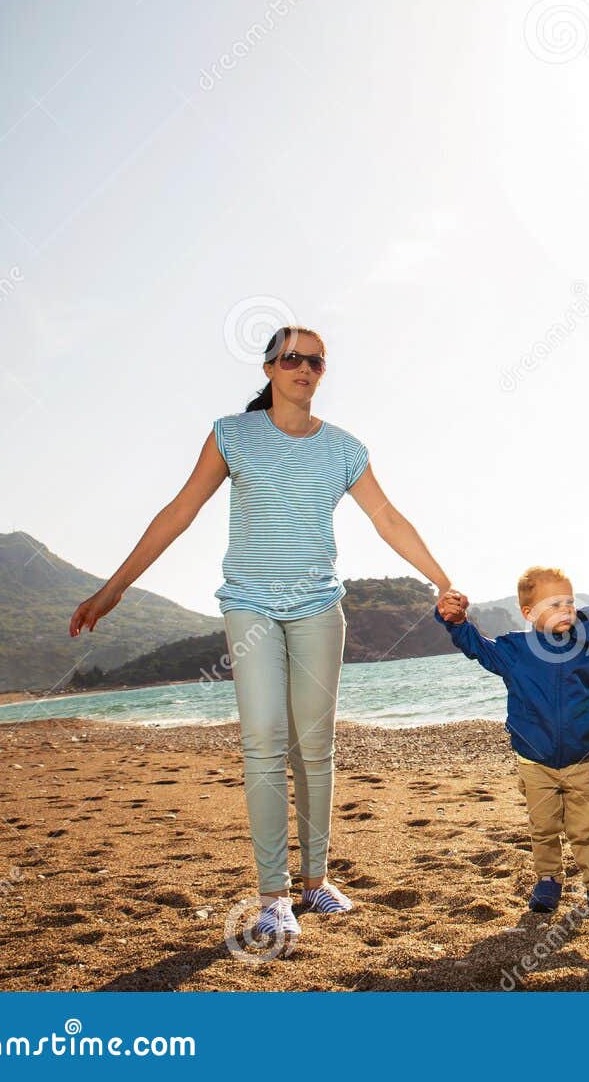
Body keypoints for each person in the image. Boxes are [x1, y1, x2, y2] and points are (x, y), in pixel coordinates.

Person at [69, 325, 456, 942]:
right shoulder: (233, 435)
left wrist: (441, 580)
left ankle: (316, 882)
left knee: (315, 745)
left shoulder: (345, 449)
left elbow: (386, 517)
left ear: (322, 373)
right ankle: (273, 895)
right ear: (271, 367)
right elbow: (179, 510)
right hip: (250, 606)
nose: (304, 367)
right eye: (292, 358)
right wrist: (113, 588)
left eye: (316, 361)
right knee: (264, 739)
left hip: (318, 610)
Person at [434, 567, 589, 912]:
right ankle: (548, 880)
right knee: (544, 826)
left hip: (579, 761)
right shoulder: (515, 650)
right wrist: (456, 623)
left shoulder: (586, 656)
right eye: (553, 604)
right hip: (534, 762)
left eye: (569, 602)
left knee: (584, 828)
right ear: (528, 613)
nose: (565, 609)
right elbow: (478, 648)